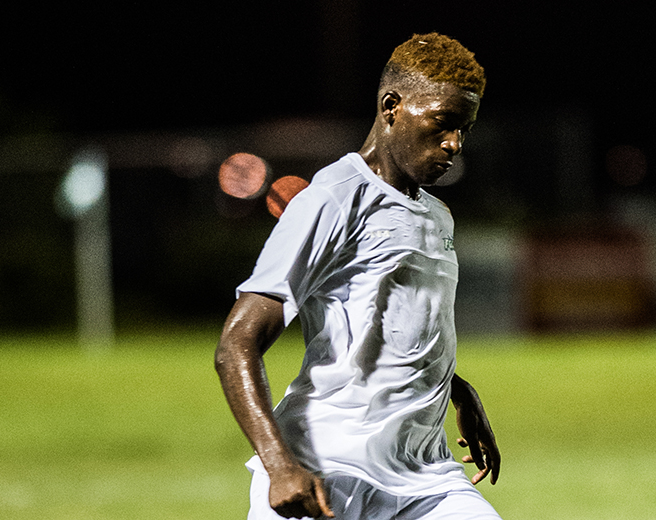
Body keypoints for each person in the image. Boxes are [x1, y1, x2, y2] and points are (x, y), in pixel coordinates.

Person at [215, 32, 501, 520]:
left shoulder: (436, 215)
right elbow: (236, 343)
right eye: (443, 123)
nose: (454, 143)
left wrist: (454, 386)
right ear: (392, 107)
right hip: (325, 470)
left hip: (423, 478)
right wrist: (280, 465)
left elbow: (391, 326)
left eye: (464, 129)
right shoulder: (333, 199)